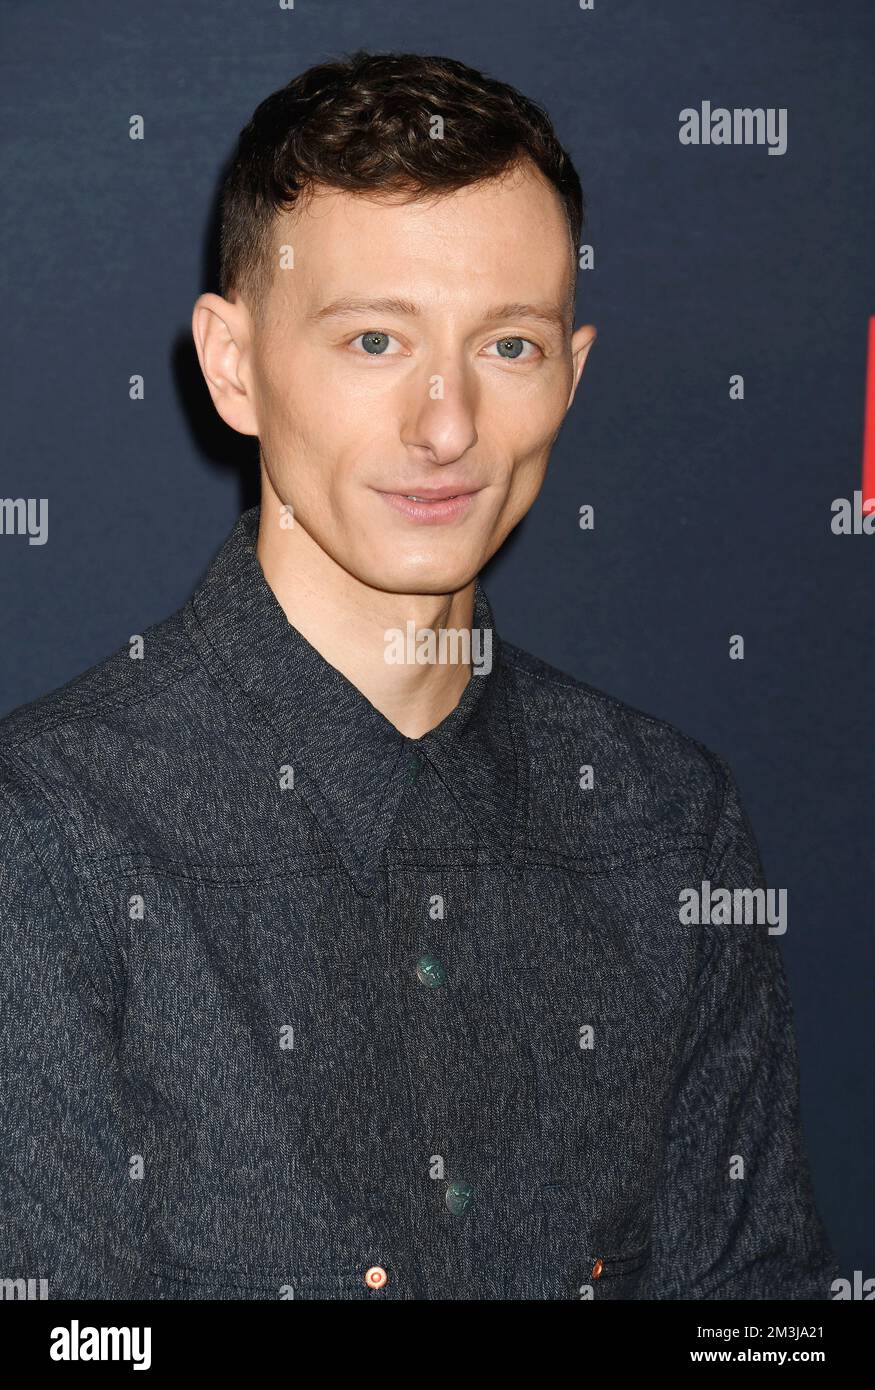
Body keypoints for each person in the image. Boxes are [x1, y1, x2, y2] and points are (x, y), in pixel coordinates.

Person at [0, 49, 837, 1300]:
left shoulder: (670, 825)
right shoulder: (47, 833)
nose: (444, 423)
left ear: (571, 372)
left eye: (507, 345)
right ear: (234, 366)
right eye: (375, 338)